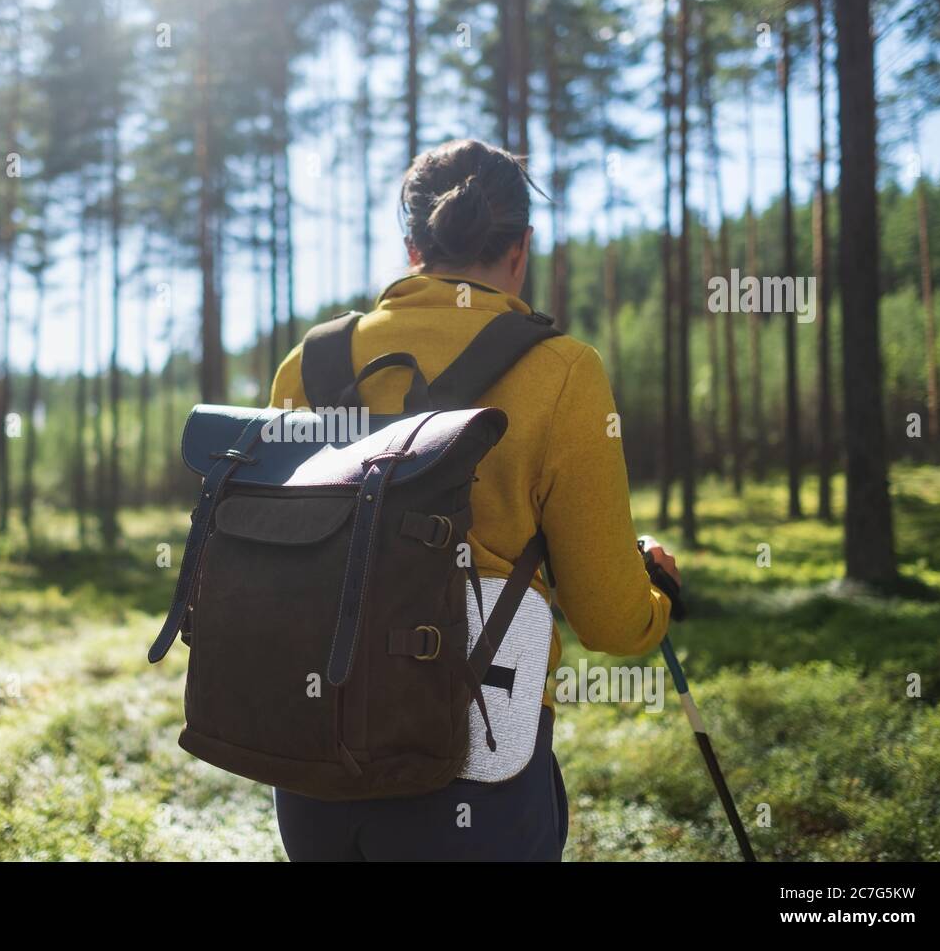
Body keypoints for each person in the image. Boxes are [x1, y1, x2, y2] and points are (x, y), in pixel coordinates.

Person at [265, 138, 681, 861]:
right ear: (520, 248)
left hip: (317, 759)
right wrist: (658, 594)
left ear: (412, 248)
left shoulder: (310, 364)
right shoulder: (561, 372)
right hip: (478, 763)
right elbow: (611, 621)